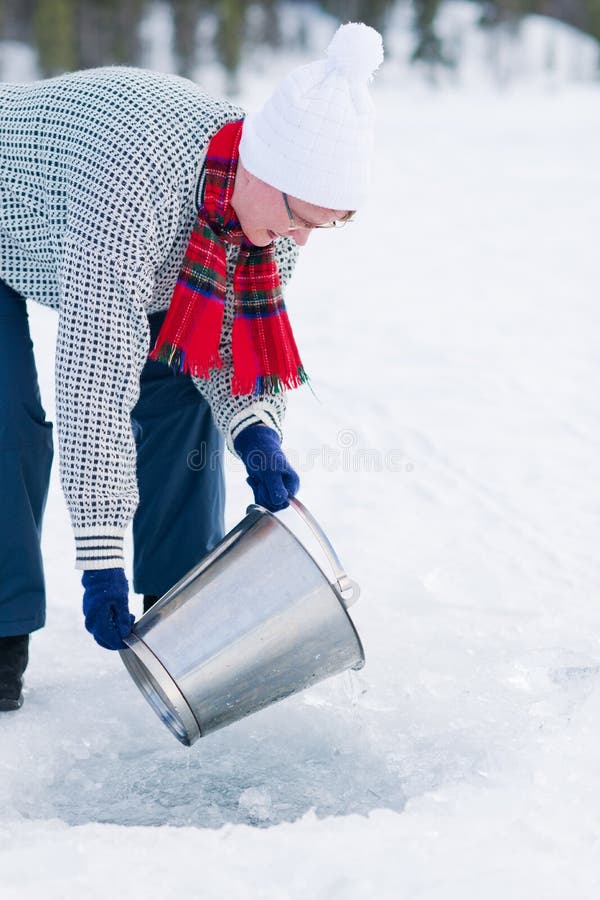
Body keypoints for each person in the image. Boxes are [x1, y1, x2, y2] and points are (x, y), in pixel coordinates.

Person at [0, 22, 384, 710]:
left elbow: (234, 352)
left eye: (322, 226)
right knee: (7, 426)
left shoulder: (270, 217)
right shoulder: (134, 189)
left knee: (187, 397)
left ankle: (179, 611)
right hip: (26, 201)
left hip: (142, 245)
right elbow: (96, 384)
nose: (300, 238)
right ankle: (0, 640)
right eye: (301, 217)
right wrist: (100, 562)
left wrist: (257, 432)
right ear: (266, 170)